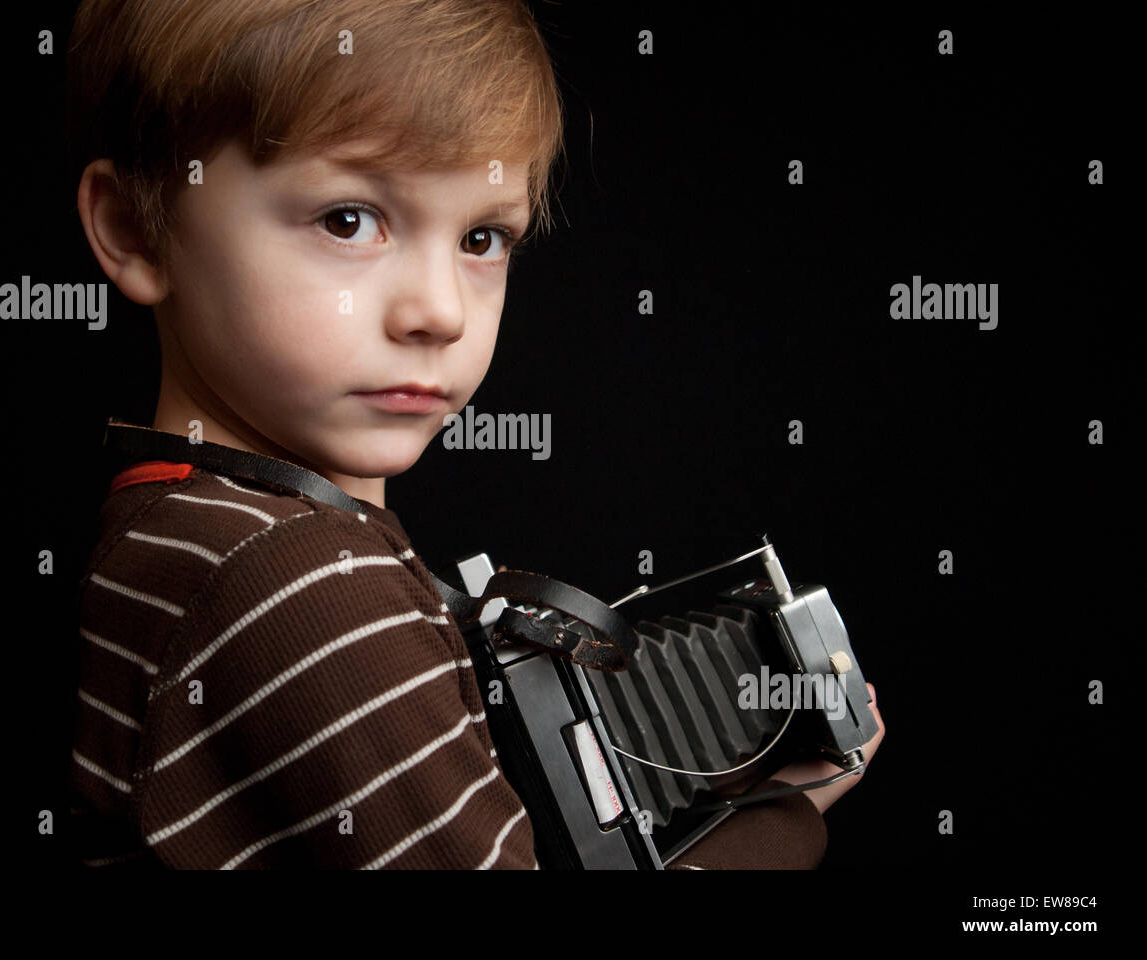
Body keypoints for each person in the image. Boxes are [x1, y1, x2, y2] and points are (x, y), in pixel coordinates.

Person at [65, 0, 884, 869]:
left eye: (483, 238)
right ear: (135, 227)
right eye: (348, 220)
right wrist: (786, 818)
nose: (441, 312)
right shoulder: (301, 586)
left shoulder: (175, 527)